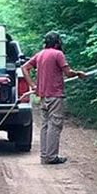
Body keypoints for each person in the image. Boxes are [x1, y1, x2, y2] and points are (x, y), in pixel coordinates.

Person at [21, 31, 87, 165]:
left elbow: (24, 68)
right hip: (55, 96)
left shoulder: (40, 54)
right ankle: (51, 157)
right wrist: (78, 73)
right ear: (57, 43)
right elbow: (68, 73)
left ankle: (44, 155)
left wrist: (33, 85)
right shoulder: (58, 54)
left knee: (45, 126)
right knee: (54, 125)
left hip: (43, 96)